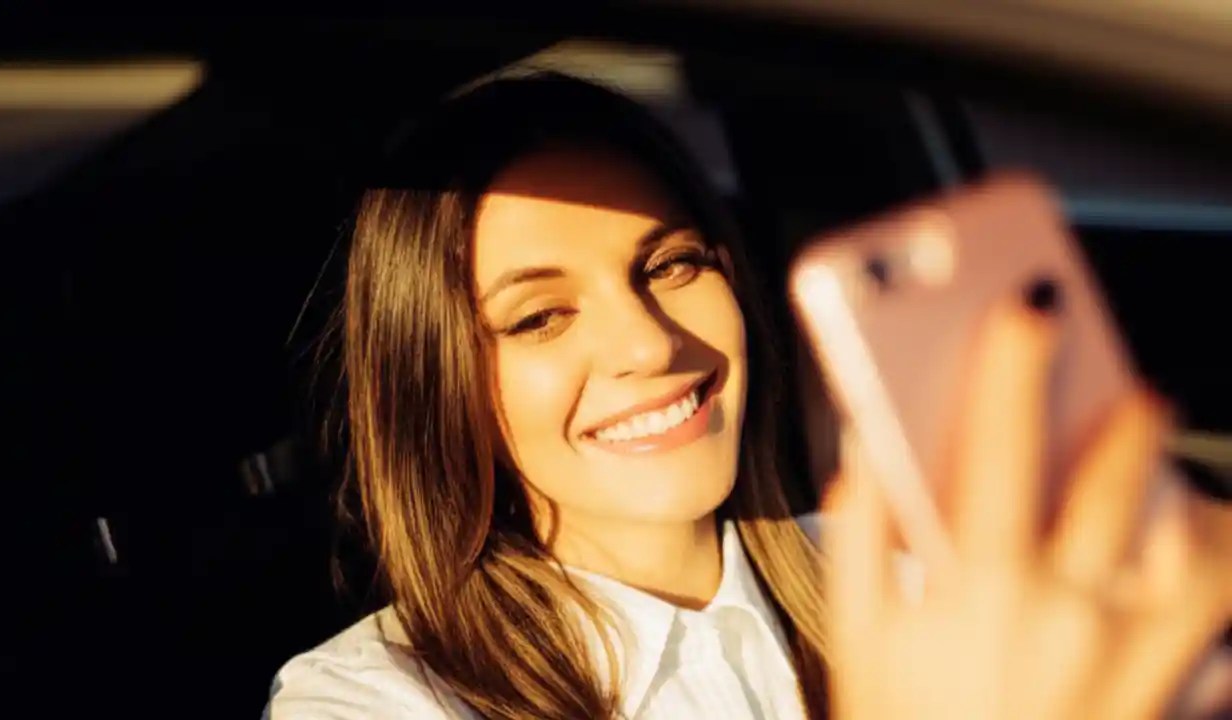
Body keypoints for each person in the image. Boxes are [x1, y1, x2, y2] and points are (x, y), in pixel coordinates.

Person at [263, 74, 1230, 719]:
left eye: (674, 264)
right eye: (538, 319)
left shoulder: (915, 571)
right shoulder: (370, 700)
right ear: (437, 385)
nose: (649, 342)